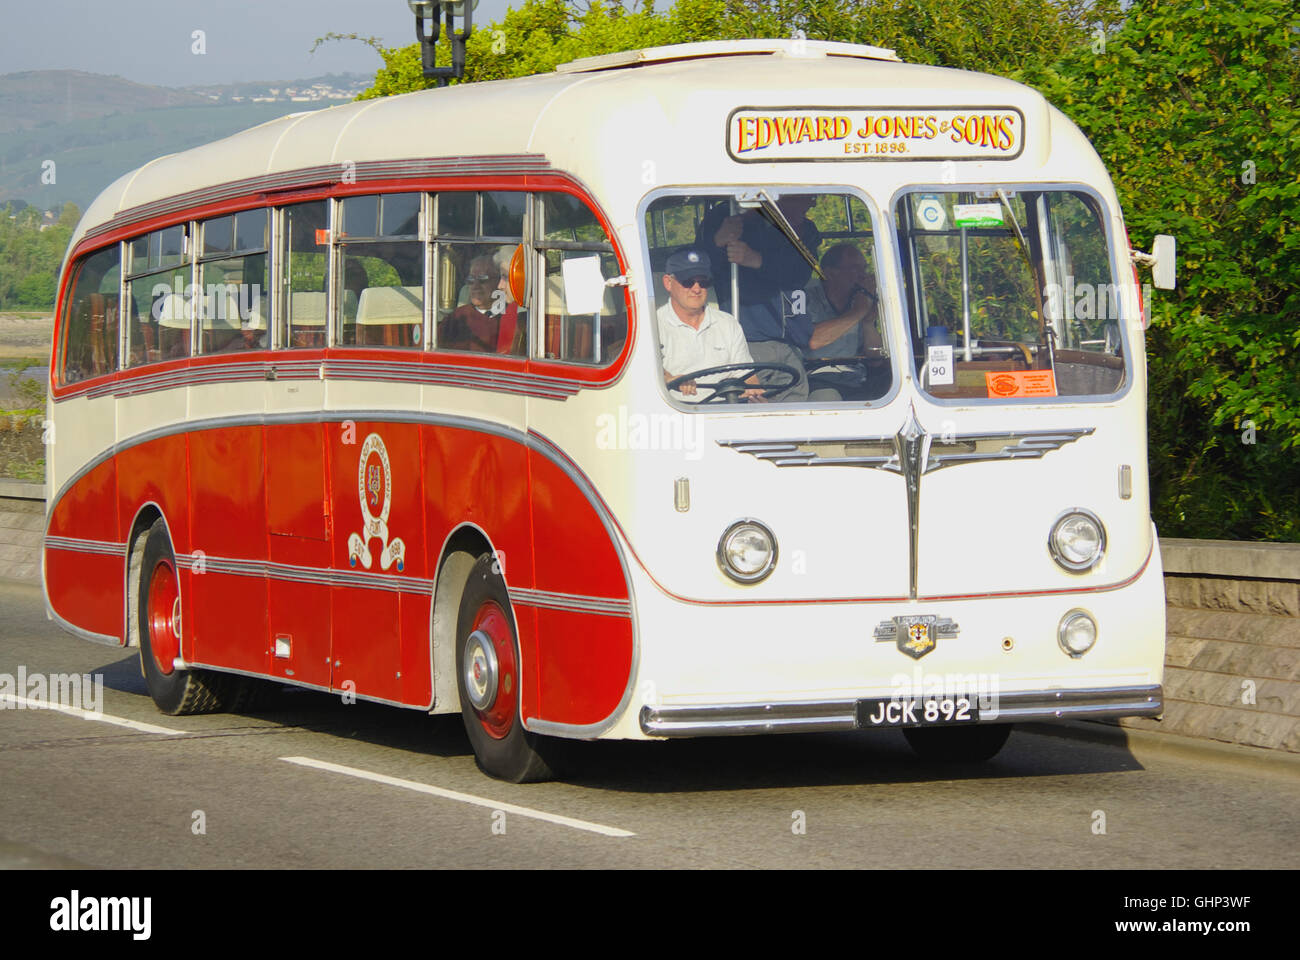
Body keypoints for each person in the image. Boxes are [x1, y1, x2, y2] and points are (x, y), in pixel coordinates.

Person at [694, 194, 823, 400]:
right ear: (776, 197)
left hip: (792, 341)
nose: (810, 205)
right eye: (801, 198)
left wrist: (756, 260)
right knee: (754, 415)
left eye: (811, 198)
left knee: (794, 416)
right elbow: (695, 271)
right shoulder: (726, 215)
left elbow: (800, 272)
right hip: (746, 340)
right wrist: (717, 242)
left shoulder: (805, 230)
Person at [657, 249, 763, 402]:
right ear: (668, 282)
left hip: (727, 410)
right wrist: (670, 379)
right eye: (688, 281)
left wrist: (757, 396)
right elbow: (647, 372)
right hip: (676, 414)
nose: (696, 288)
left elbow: (747, 376)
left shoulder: (728, 323)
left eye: (703, 281)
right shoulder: (652, 326)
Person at [801, 243, 882, 359]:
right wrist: (857, 312)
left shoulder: (860, 299)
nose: (863, 275)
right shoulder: (805, 296)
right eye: (855, 269)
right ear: (830, 273)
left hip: (854, 374)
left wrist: (868, 323)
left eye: (864, 269)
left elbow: (876, 359)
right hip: (813, 374)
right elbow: (812, 339)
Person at [440, 252, 514, 352]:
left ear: (498, 281)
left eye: (482, 279)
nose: (475, 286)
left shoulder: (512, 315)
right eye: (471, 279)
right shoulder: (457, 317)